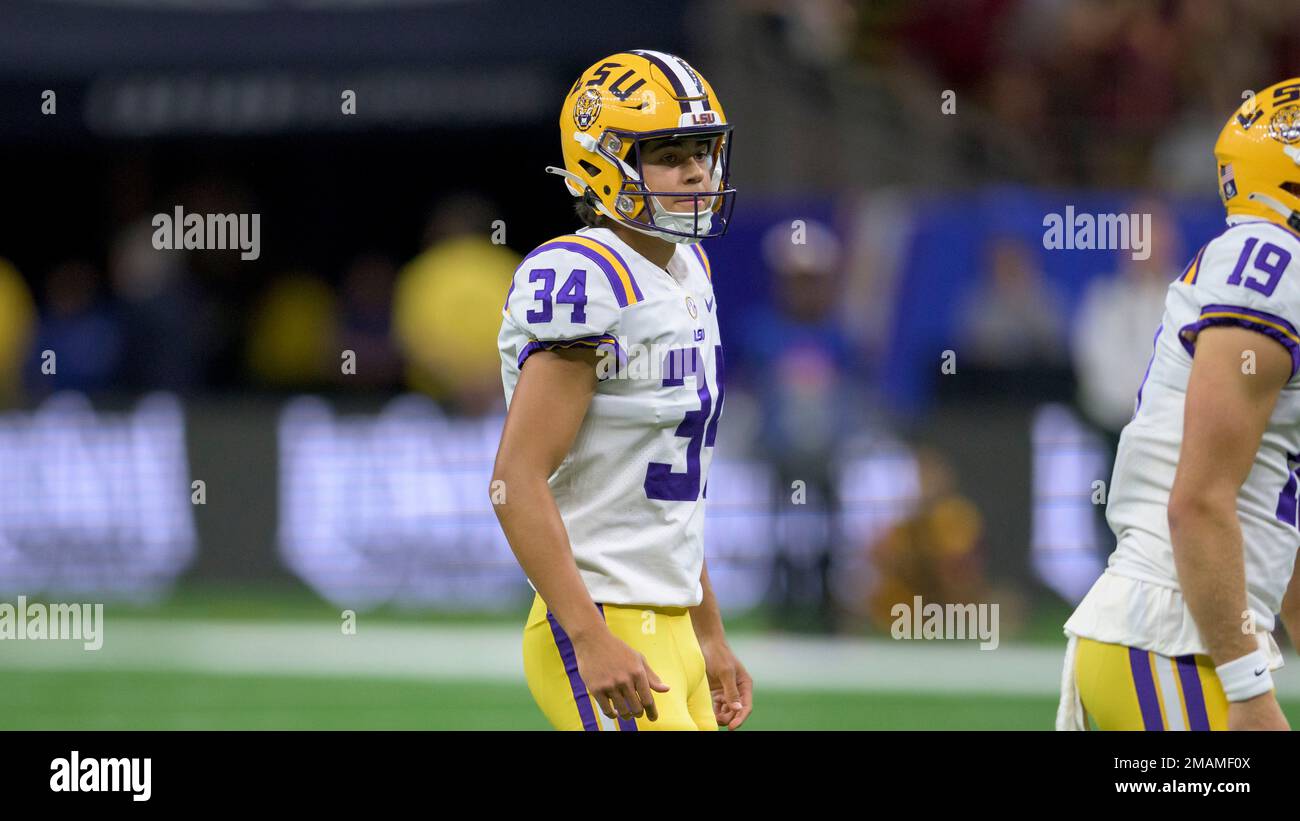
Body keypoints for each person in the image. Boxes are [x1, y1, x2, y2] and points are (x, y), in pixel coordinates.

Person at [491, 50, 752, 731]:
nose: (697, 170)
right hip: (602, 616)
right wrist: (586, 636)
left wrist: (710, 629)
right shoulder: (589, 276)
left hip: (670, 622)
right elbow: (516, 477)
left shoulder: (688, 269)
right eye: (669, 153)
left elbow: (663, 502)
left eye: (703, 149)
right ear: (606, 163)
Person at [1058, 78, 1300, 731]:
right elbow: (1197, 501)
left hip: (1174, 639)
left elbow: (1283, 521)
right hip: (1173, 640)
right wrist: (1248, 685)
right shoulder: (1273, 263)